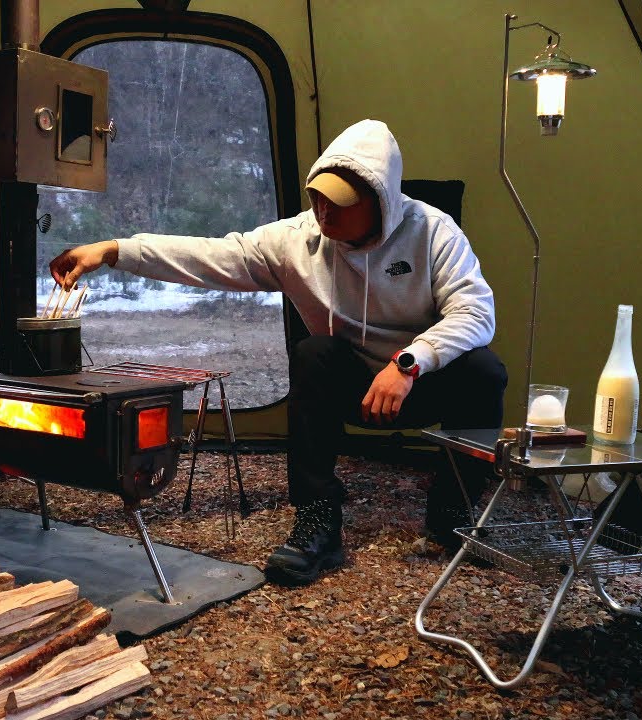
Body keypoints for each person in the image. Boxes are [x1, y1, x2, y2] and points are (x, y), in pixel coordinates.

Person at [49, 119, 507, 586]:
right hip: (348, 386)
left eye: (340, 204)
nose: (324, 212)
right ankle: (317, 521)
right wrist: (112, 250)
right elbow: (210, 256)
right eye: (318, 197)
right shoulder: (299, 238)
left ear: (381, 202)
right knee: (315, 353)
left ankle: (454, 513)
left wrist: (407, 364)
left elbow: (476, 313)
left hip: (417, 385)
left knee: (484, 370)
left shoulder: (432, 231)